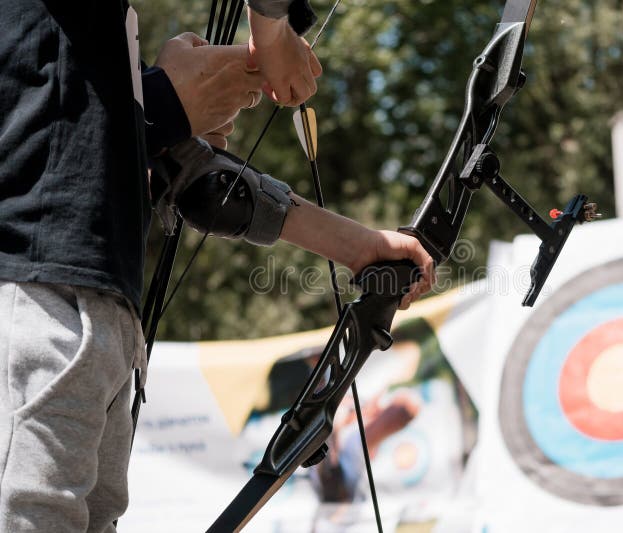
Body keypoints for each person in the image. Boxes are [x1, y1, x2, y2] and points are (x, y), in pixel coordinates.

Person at [0, 1, 434, 532]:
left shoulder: (95, 36)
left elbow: (201, 185)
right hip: (38, 296)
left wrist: (361, 246)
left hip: (98, 312)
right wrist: (269, 36)